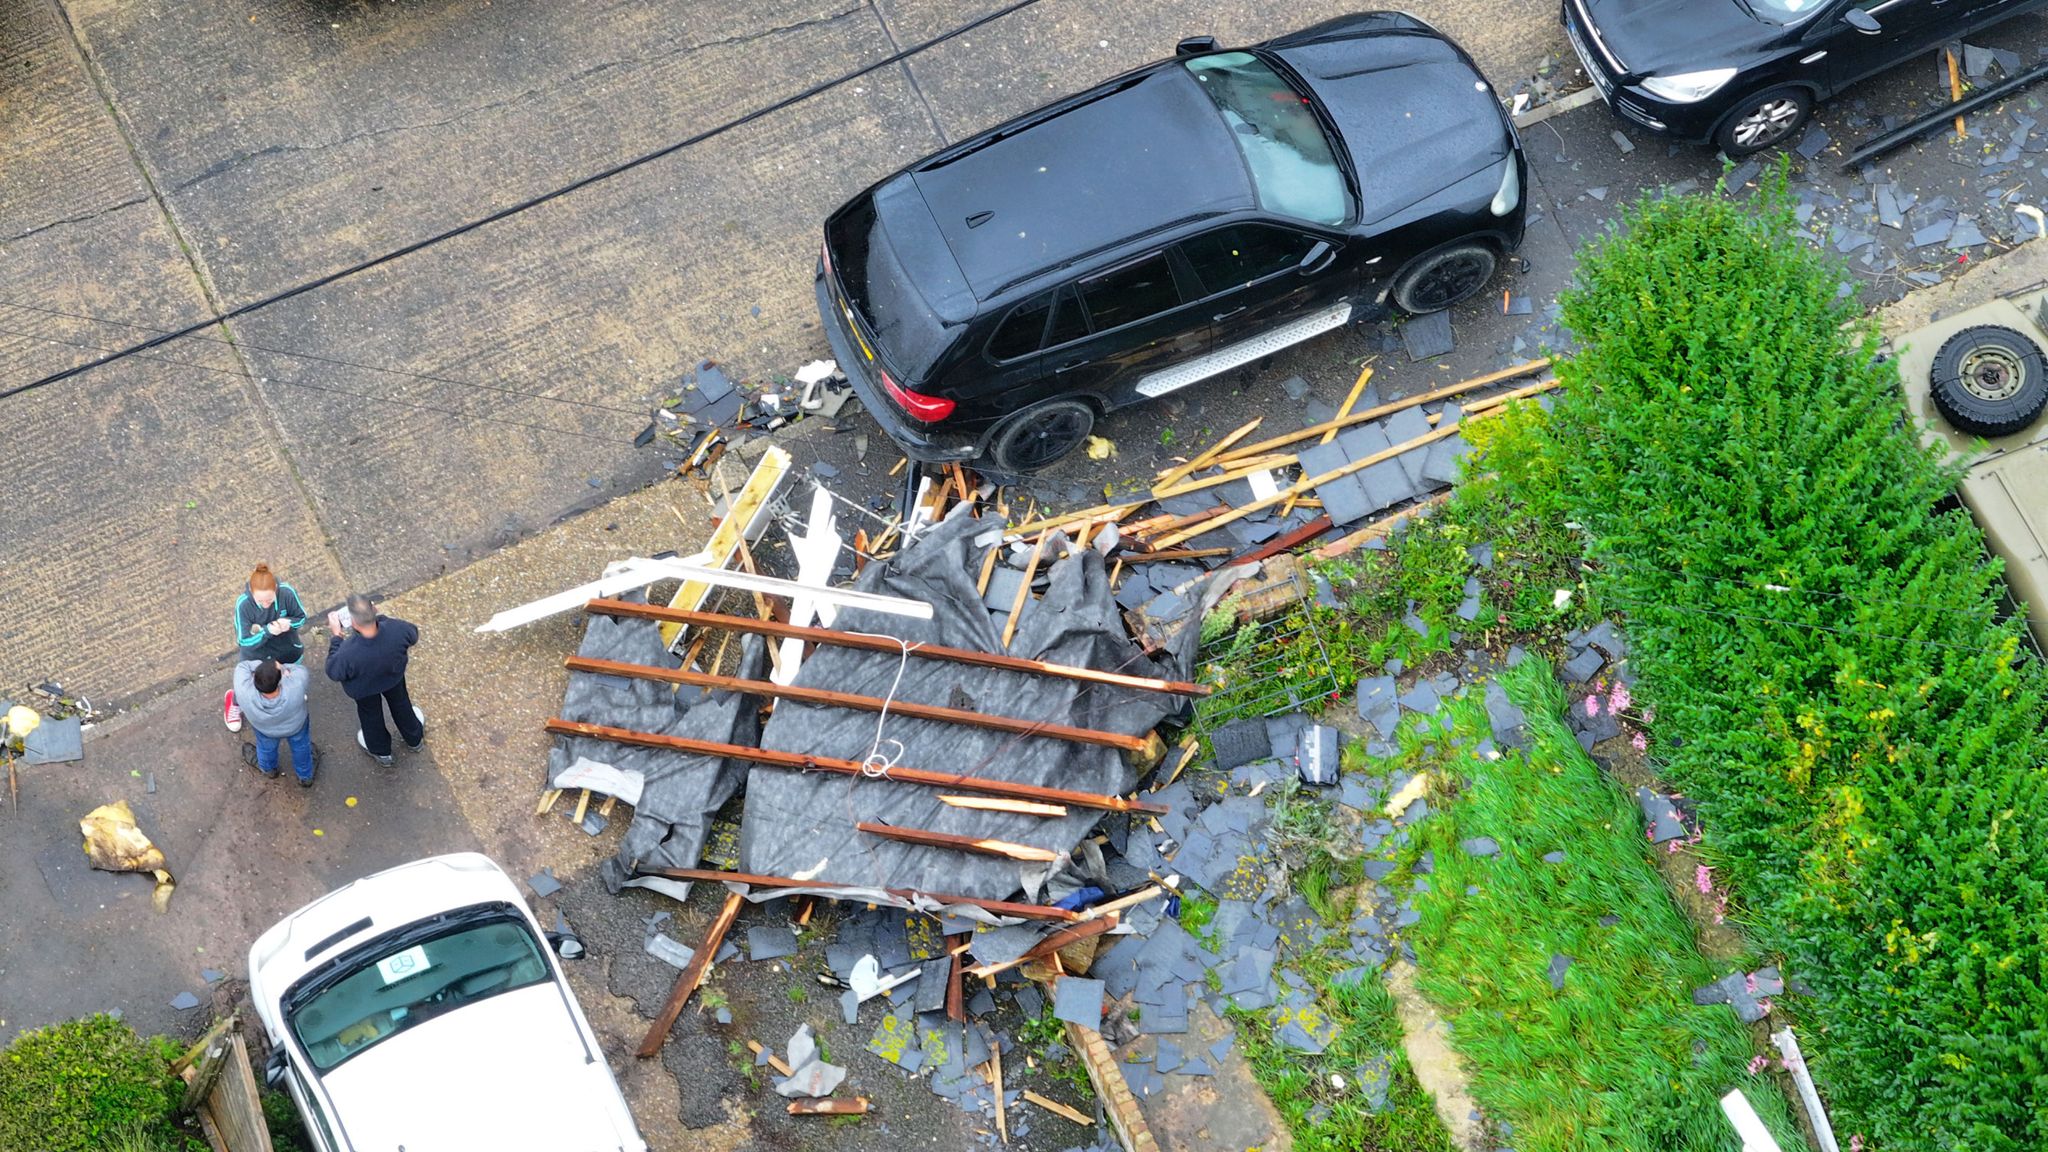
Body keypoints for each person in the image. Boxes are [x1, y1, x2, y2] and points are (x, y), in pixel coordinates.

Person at [324, 593, 423, 767]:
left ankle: (382, 752)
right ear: (374, 609)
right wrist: (381, 619)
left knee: (370, 715)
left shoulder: (347, 652)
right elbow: (412, 634)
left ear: (353, 623)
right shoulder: (396, 629)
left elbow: (333, 671)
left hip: (363, 689)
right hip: (393, 678)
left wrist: (336, 636)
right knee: (401, 704)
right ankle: (414, 739)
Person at [226, 564, 307, 733]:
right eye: (260, 601)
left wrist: (289, 624)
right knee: (249, 685)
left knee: (286, 678)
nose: (265, 604)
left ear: (276, 589)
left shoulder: (287, 593)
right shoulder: (243, 604)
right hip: (256, 656)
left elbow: (301, 618)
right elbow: (243, 641)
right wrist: (267, 632)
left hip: (287, 650)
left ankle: (288, 697)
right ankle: (234, 701)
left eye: (269, 600)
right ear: (251, 593)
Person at [233, 658, 315, 786]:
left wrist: (262, 667)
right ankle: (305, 777)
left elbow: (242, 666)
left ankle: (269, 770)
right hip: (296, 726)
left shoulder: (244, 691)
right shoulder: (295, 685)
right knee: (301, 748)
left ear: (254, 678)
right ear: (279, 680)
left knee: (266, 749)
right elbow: (300, 669)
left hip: (264, 729)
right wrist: (282, 667)